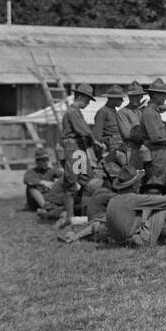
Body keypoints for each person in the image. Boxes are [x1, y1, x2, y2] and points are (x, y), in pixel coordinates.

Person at [103, 166, 166, 247]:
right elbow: (164, 200)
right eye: (138, 181)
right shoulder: (133, 199)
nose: (139, 184)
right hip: (137, 242)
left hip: (120, 242)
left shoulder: (113, 200)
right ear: (133, 185)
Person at [58, 82, 98, 226]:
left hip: (79, 148)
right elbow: (84, 131)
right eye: (87, 100)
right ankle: (70, 216)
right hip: (74, 149)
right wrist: (95, 142)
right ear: (81, 96)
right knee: (72, 182)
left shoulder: (75, 112)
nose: (88, 103)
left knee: (86, 180)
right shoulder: (73, 112)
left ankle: (84, 214)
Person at [139, 78, 166, 192]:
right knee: (155, 185)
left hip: (158, 154)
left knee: (159, 182)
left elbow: (159, 132)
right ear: (155, 95)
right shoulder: (150, 113)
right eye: (163, 95)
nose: (165, 98)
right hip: (155, 154)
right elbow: (156, 137)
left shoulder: (153, 112)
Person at [116, 82, 147, 171]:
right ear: (129, 97)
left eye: (137, 96)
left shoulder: (143, 111)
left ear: (141, 96)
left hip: (146, 148)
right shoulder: (122, 112)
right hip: (132, 149)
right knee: (134, 175)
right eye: (132, 96)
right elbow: (127, 134)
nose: (135, 98)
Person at [92, 85, 125, 154]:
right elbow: (97, 135)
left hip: (119, 145)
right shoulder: (102, 112)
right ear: (112, 99)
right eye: (120, 98)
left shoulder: (114, 111)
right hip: (110, 148)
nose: (122, 100)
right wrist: (106, 141)